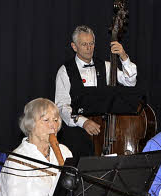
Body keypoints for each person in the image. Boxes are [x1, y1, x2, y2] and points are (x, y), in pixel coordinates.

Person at [54, 25, 138, 156]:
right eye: (84, 44)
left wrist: (123, 56)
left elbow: (130, 81)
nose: (89, 48)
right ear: (74, 46)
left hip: (104, 133)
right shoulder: (65, 71)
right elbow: (61, 107)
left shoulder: (106, 66)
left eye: (91, 43)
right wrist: (84, 122)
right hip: (77, 134)